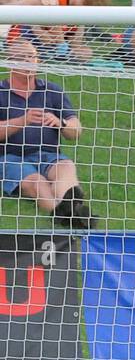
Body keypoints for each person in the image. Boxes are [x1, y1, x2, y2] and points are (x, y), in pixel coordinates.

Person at [0, 39, 95, 228]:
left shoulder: (51, 90)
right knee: (37, 183)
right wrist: (22, 121)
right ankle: (69, 219)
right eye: (22, 57)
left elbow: (75, 130)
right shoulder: (1, 92)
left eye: (32, 57)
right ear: (10, 62)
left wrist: (61, 123)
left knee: (66, 167)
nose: (28, 62)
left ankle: (71, 207)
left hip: (49, 156)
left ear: (39, 60)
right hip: (9, 157)